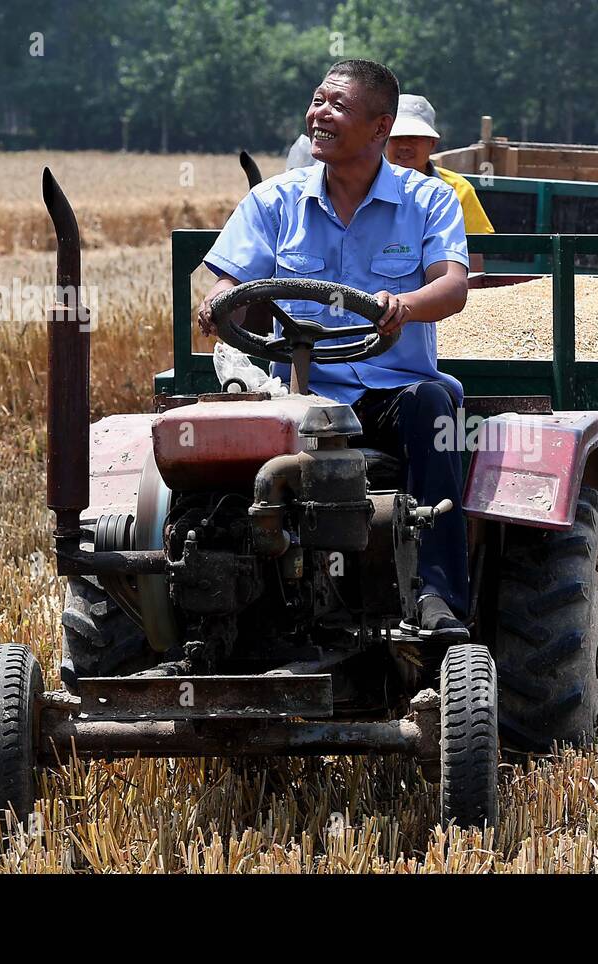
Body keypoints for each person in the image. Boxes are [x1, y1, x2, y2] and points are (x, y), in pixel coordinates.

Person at [197, 59, 471, 642]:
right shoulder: (275, 202)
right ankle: (209, 596)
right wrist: (217, 300)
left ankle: (436, 594)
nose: (318, 115)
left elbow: (451, 286)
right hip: (295, 396)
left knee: (436, 405)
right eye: (316, 101)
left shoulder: (428, 200)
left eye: (336, 106)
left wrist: (406, 306)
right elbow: (227, 280)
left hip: (388, 396)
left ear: (380, 128)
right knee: (204, 446)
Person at [385, 94, 493, 273]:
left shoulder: (458, 189)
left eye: (414, 137)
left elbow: (473, 253)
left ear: (432, 144)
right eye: (397, 137)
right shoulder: (364, 184)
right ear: (383, 140)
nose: (404, 145)